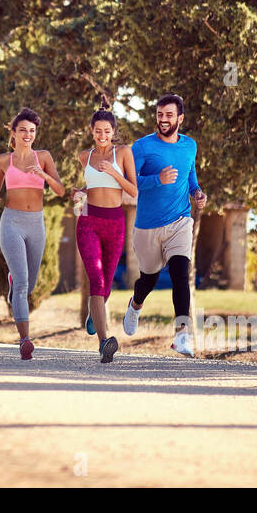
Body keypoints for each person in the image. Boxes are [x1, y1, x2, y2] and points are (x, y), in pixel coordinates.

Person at [123, 94, 207, 356]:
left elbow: (190, 176)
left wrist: (197, 193)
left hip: (180, 221)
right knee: (148, 279)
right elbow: (130, 183)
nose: (163, 120)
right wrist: (157, 179)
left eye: (169, 115)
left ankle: (182, 336)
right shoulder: (142, 147)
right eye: (160, 114)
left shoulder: (190, 146)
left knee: (181, 273)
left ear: (180, 118)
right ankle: (135, 305)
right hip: (147, 226)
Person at [0, 108, 65, 360]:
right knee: (23, 285)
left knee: (28, 285)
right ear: (13, 132)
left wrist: (43, 175)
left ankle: (14, 284)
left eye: (32, 131)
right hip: (11, 222)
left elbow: (61, 190)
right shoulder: (3, 160)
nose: (28, 134)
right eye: (22, 130)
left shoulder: (43, 157)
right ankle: (25, 341)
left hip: (36, 223)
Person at [71, 98, 138, 363]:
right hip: (88, 221)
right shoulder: (83, 156)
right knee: (96, 282)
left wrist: (113, 171)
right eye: (97, 131)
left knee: (106, 286)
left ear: (113, 132)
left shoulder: (122, 153)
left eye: (107, 131)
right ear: (92, 131)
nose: (102, 135)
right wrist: (80, 194)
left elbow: (133, 190)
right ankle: (104, 342)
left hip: (115, 223)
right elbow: (92, 188)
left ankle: (93, 313)